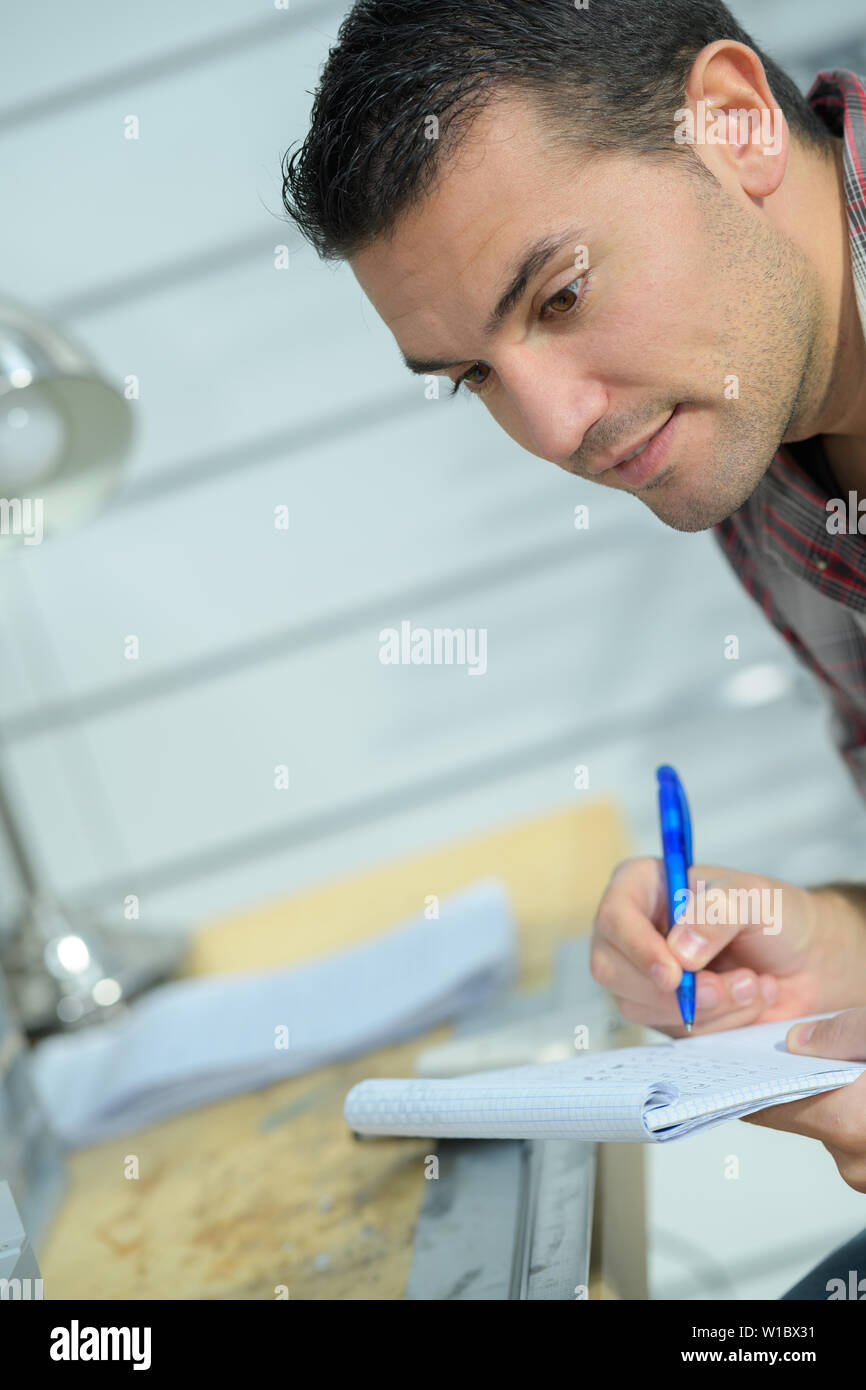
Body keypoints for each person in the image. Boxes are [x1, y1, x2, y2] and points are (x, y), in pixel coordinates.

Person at [281, 0, 866, 1296]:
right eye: (471, 376)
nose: (551, 426)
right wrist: (833, 944)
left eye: (560, 294)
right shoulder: (758, 422)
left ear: (733, 123)